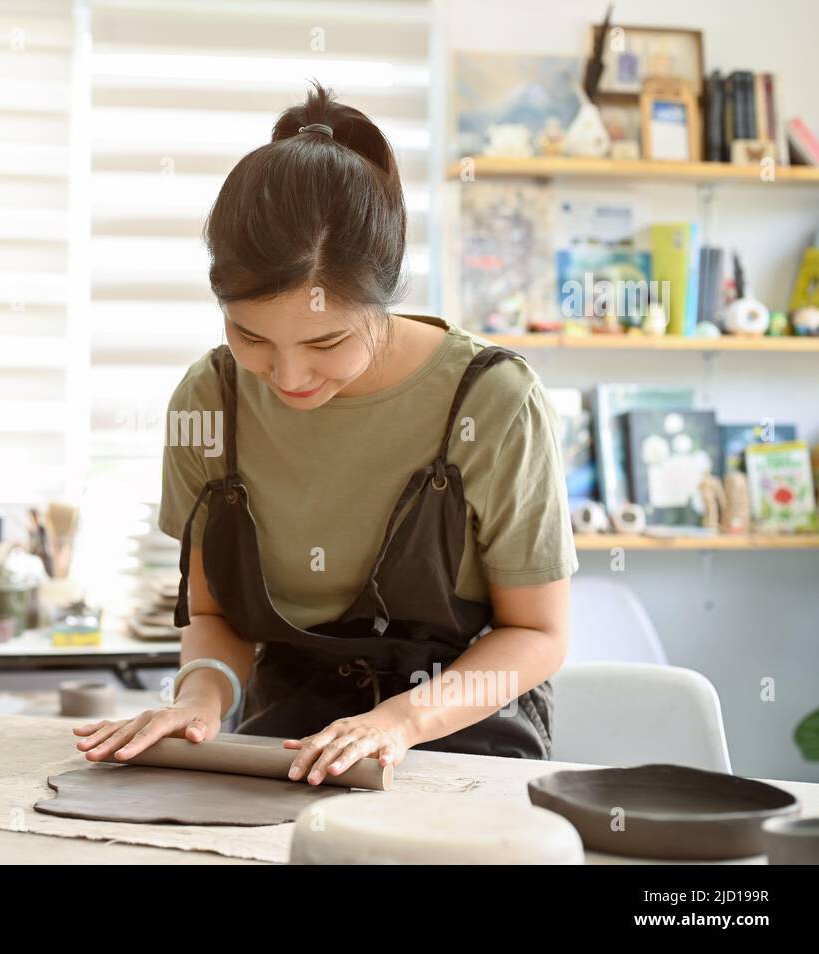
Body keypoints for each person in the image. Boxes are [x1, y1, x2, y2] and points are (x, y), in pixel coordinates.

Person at [74, 83, 576, 786]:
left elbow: (539, 634)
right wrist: (198, 698)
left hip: (465, 740)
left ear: (384, 298)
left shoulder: (493, 400)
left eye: (327, 340)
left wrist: (398, 722)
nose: (287, 376)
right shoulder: (208, 400)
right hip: (287, 742)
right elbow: (217, 618)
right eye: (249, 335)